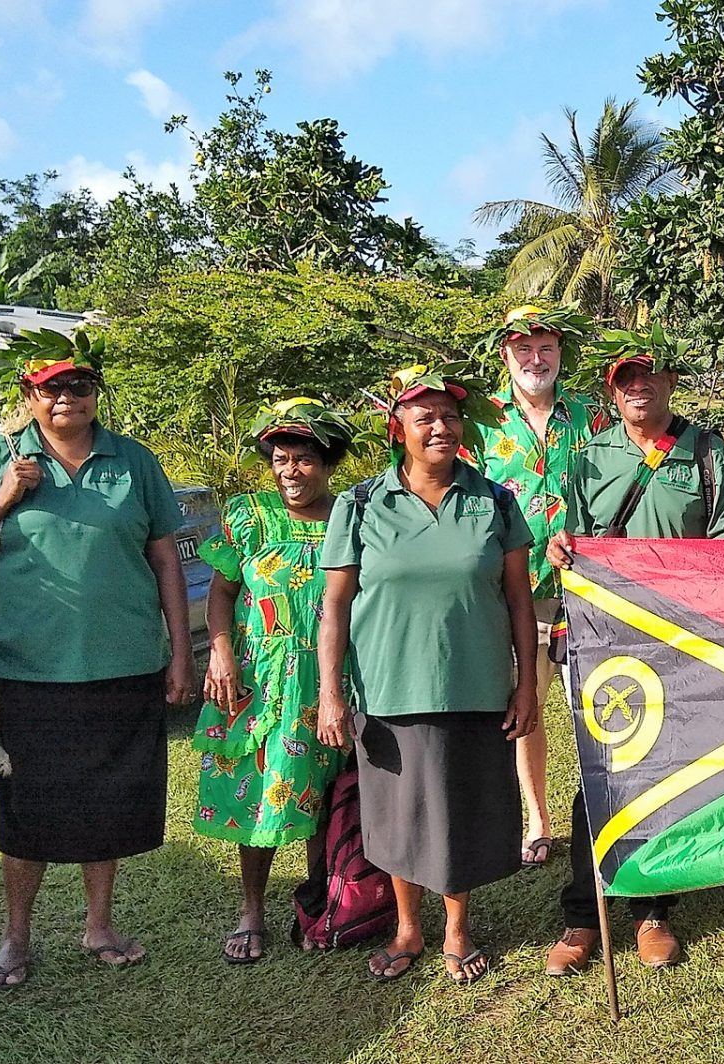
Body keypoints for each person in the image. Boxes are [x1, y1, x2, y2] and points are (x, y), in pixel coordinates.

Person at [0, 333, 193, 990]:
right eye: (53, 387)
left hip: (124, 661)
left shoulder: (132, 462)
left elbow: (164, 558)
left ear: (95, 393)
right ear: (30, 395)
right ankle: (15, 939)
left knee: (109, 800)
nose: (68, 397)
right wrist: (2, 500)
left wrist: (180, 651)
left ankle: (99, 925)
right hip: (28, 667)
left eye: (80, 386)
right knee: (29, 806)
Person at [316, 363, 539, 986]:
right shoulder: (361, 503)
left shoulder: (495, 499)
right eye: (423, 418)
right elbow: (335, 606)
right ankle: (408, 927)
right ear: (398, 430)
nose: (438, 427)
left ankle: (457, 928)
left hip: (474, 684)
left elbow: (519, 601)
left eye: (447, 415)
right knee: (397, 814)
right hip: (388, 687)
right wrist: (330, 692)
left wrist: (526, 684)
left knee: (461, 810)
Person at [543, 327, 724, 974]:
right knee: (597, 773)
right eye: (626, 376)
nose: (639, 385)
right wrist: (558, 547)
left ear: (671, 382)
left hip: (677, 638)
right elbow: (568, 536)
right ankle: (583, 914)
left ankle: (653, 909)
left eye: (650, 374)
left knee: (663, 771)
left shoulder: (709, 453)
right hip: (604, 637)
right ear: (612, 386)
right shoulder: (588, 455)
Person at [192, 399, 356, 963]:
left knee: (329, 787)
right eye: (280, 459)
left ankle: (323, 899)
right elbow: (222, 592)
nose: (290, 471)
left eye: (304, 459)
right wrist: (220, 656)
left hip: (333, 676)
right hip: (260, 678)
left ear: (328, 463)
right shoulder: (249, 514)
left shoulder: (350, 515)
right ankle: (252, 911)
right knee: (257, 791)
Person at [476, 304, 608, 868]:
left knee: (603, 703)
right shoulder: (481, 422)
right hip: (514, 591)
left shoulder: (590, 417)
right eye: (524, 349)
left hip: (587, 585)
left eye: (547, 348)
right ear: (505, 354)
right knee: (526, 703)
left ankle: (606, 810)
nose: (536, 359)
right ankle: (537, 817)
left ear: (561, 354)